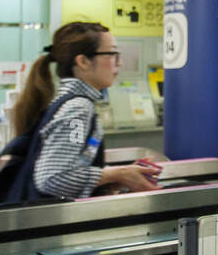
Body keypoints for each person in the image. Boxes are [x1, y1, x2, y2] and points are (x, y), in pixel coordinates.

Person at [12, 21, 160, 199]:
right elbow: (52, 179)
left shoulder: (69, 103)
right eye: (112, 54)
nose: (118, 64)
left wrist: (114, 180)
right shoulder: (77, 109)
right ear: (83, 61)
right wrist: (116, 174)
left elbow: (73, 168)